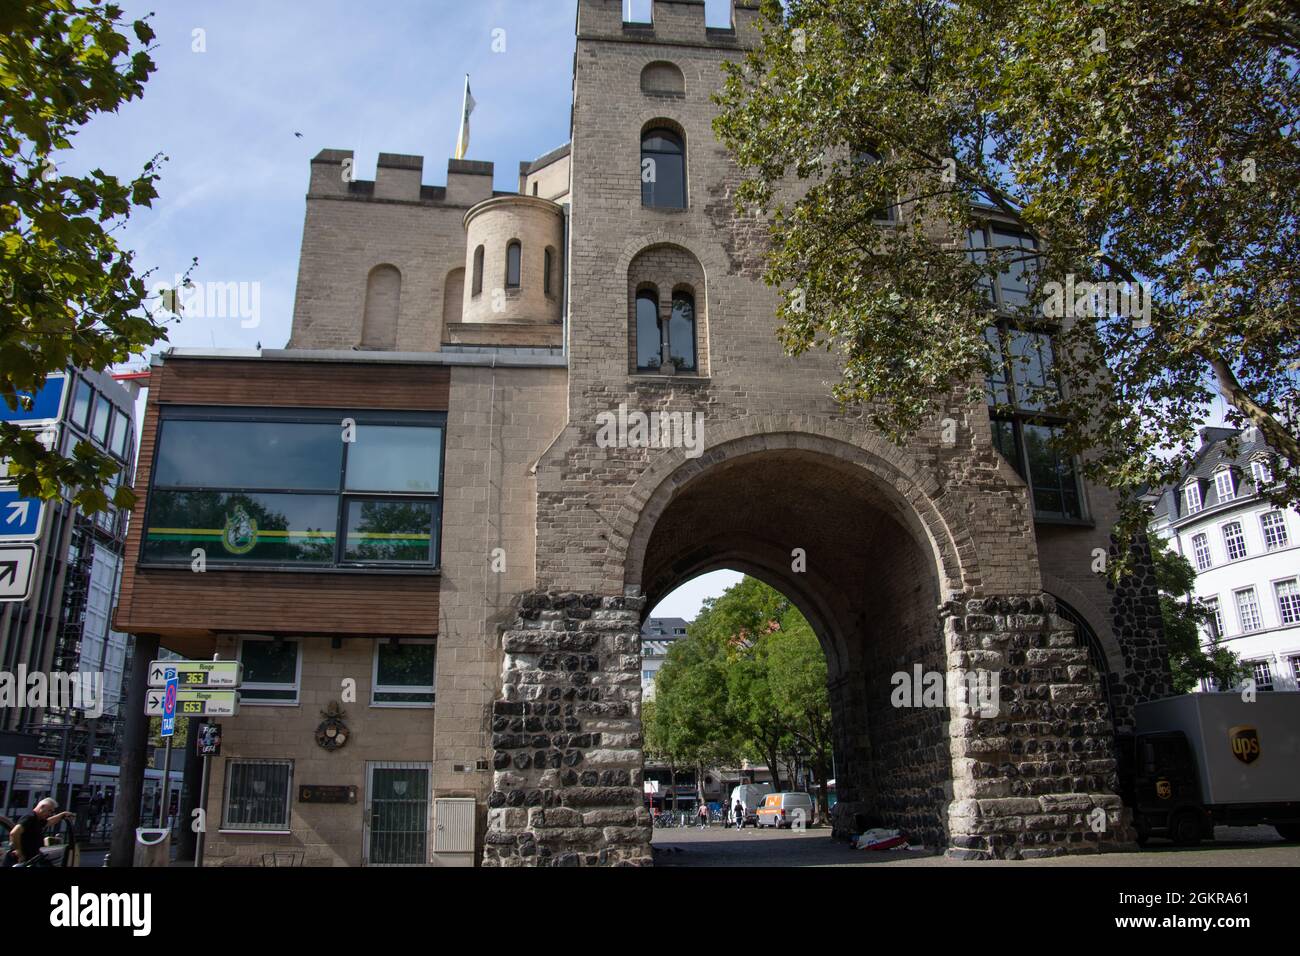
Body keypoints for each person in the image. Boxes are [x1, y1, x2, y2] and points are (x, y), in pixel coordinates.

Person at [5, 798, 76, 867]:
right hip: (22, 860)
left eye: (52, 812)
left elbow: (49, 821)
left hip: (32, 858)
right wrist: (19, 852)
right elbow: (14, 833)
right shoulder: (30, 817)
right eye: (49, 811)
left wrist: (62, 815)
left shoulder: (38, 819)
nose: (50, 814)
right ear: (42, 807)